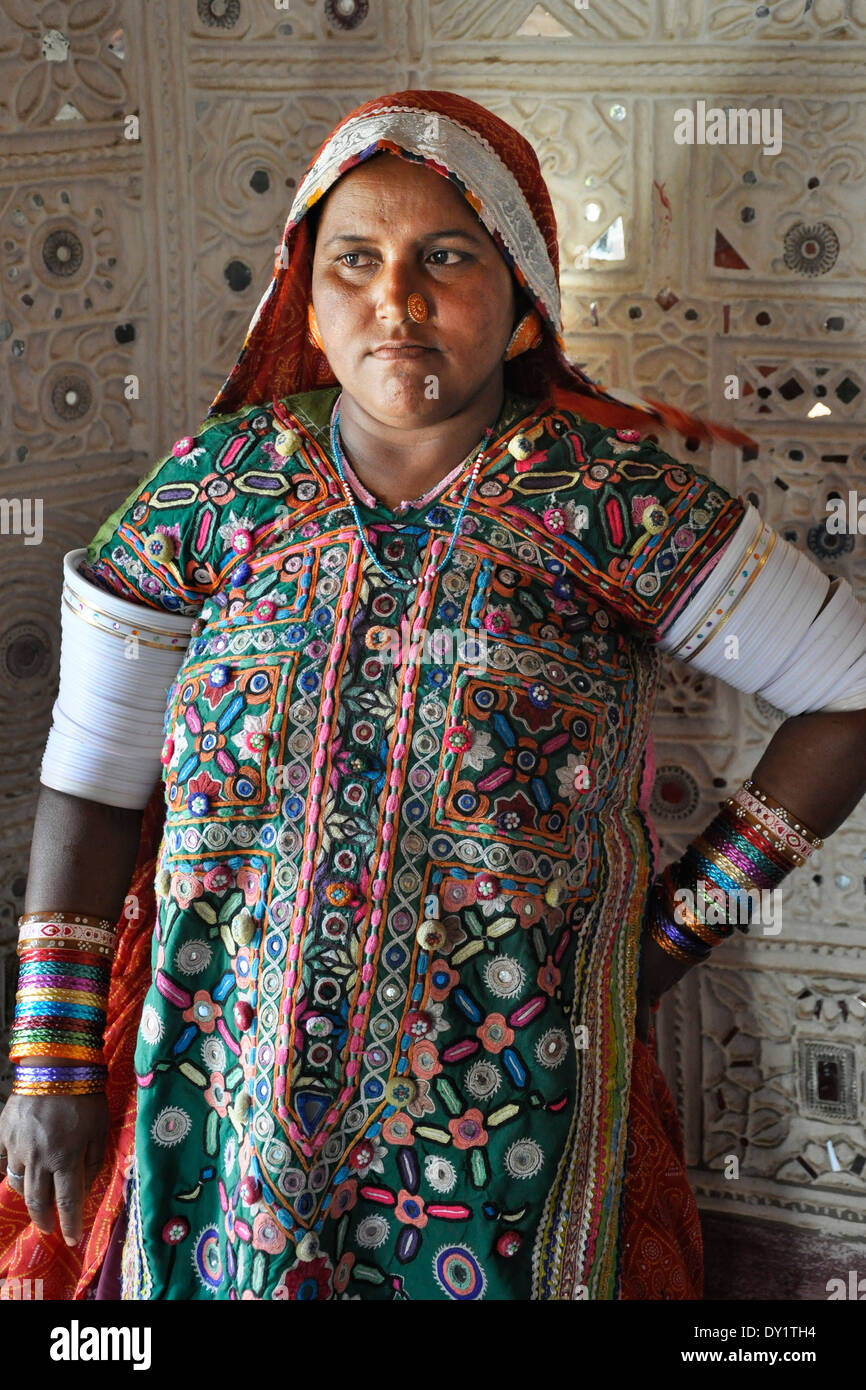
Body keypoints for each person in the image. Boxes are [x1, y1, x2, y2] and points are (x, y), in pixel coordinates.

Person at [1, 89, 865, 1302]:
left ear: (520, 304)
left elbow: (851, 697)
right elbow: (91, 778)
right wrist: (49, 1064)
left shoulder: (606, 504)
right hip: (216, 1098)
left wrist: (660, 940)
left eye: (445, 259)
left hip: (513, 1118)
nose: (395, 300)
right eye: (354, 260)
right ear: (305, 298)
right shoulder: (216, 487)